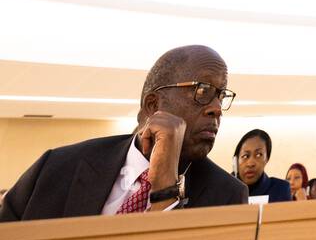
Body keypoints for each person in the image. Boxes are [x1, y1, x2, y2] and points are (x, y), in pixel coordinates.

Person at [0, 45, 247, 221]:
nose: (216, 109)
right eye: (202, 91)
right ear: (153, 105)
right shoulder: (55, 168)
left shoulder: (227, 196)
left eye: (221, 95)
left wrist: (165, 193)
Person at [233, 129, 292, 203]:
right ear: (236, 160)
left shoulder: (280, 189)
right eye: (245, 156)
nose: (250, 163)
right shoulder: (224, 188)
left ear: (267, 158)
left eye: (258, 155)